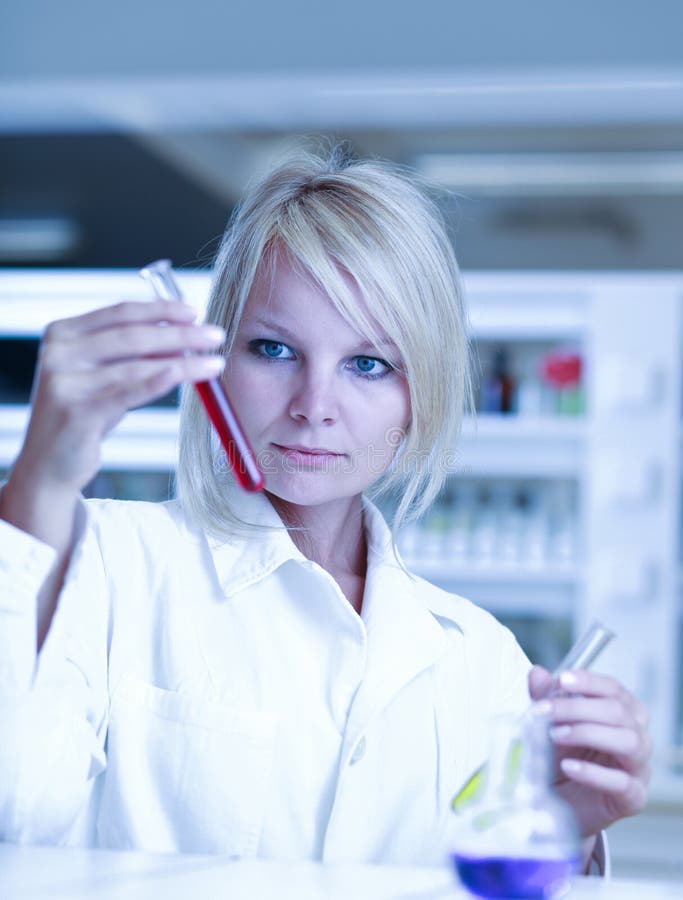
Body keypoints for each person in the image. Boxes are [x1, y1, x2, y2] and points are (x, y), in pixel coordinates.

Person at [0, 147, 650, 869]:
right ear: (214, 359)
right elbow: (16, 808)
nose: (313, 407)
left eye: (367, 364)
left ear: (419, 394)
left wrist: (563, 827)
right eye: (273, 350)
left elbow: (482, 885)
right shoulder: (106, 563)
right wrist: (41, 480)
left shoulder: (479, 658)